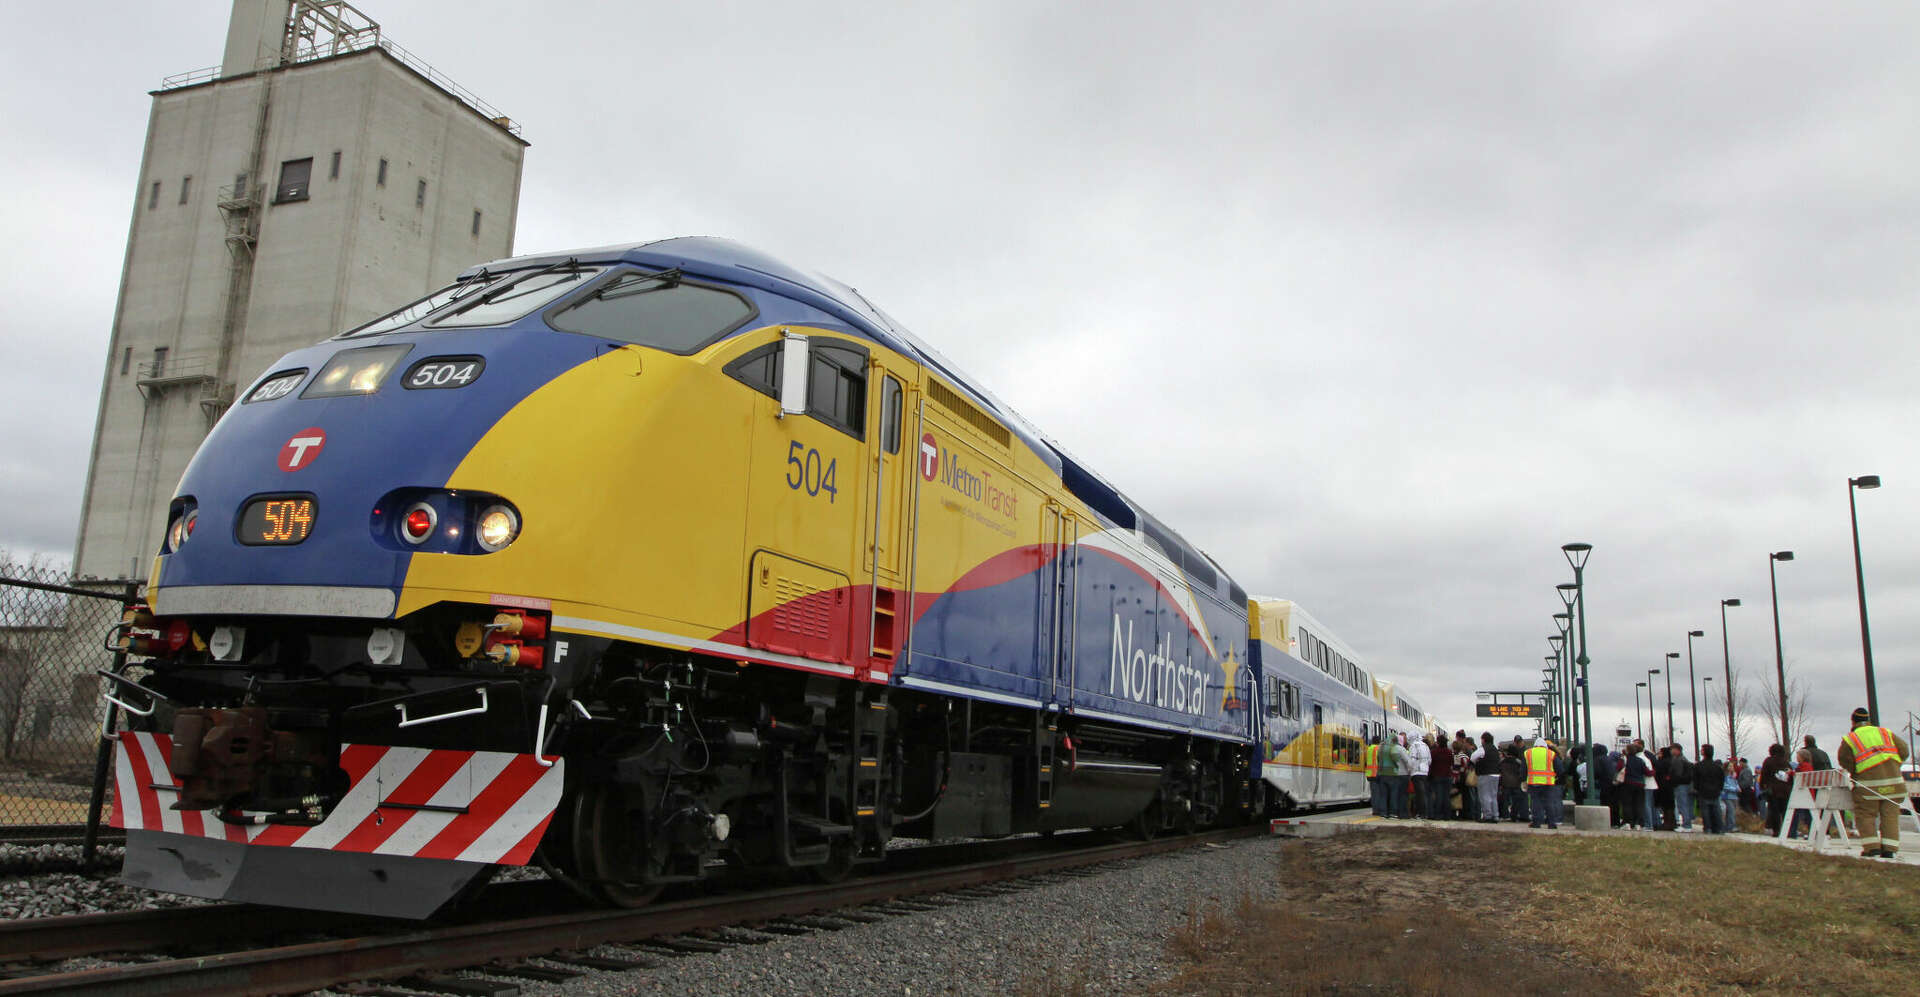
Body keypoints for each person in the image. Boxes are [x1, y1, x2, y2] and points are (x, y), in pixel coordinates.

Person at [1837, 707, 1913, 859]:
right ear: (1868, 720)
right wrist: (1893, 765)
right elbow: (1904, 750)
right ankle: (1889, 850)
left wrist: (1856, 771)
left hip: (1868, 786)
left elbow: (1844, 760)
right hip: (1894, 784)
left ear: (1853, 721)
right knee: (1890, 816)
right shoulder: (1885, 732)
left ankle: (1872, 849)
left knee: (1866, 815)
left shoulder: (1851, 739)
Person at [1525, 739, 1562, 828]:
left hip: (1533, 782)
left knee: (1536, 802)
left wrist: (1523, 779)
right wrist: (1556, 777)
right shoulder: (1551, 754)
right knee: (1549, 802)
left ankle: (1536, 822)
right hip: (1548, 782)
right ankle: (1551, 823)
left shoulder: (1528, 753)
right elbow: (1560, 768)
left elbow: (1523, 768)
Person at [1693, 744, 1727, 835]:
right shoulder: (1717, 767)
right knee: (1716, 810)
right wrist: (1719, 789)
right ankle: (1719, 828)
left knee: (1705, 811)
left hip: (1703, 791)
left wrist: (1697, 788)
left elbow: (1695, 780)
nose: (1700, 751)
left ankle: (1708, 828)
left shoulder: (1699, 766)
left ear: (1704, 752)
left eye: (1702, 750)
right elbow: (1722, 779)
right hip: (1715, 791)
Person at [1760, 744, 1792, 836]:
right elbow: (1790, 776)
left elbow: (1764, 775)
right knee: (1785, 810)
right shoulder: (1786, 762)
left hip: (1773, 790)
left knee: (1774, 810)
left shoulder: (1768, 761)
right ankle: (1788, 831)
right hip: (1785, 790)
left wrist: (1762, 786)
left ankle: (1776, 831)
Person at [1377, 733, 1411, 819]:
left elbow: (1378, 759)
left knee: (1383, 795)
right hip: (1392, 774)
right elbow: (1396, 759)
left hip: (1382, 773)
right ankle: (1393, 813)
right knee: (1394, 794)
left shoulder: (1381, 748)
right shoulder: (1394, 748)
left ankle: (1383, 813)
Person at [1620, 742, 1653, 829]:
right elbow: (1647, 772)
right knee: (1639, 804)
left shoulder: (1624, 759)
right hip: (1640, 784)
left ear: (1627, 751)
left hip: (1628, 783)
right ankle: (1638, 823)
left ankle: (1628, 822)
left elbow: (1618, 768)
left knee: (1627, 803)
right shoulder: (1640, 760)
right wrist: (1653, 771)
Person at [1472, 732, 1502, 823]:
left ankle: (1487, 815)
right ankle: (1495, 815)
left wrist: (1477, 762)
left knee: (1484, 795)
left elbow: (1473, 757)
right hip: (1496, 774)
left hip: (1485, 774)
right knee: (1493, 796)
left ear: (1483, 740)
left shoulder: (1483, 749)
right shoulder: (1495, 749)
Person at [1786, 749, 1815, 838]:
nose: (1797, 757)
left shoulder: (1804, 766)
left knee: (1797, 813)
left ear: (1802, 757)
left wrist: (1791, 773)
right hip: (1807, 793)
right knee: (1807, 815)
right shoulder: (1808, 766)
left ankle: (1792, 832)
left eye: (1798, 756)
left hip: (1804, 793)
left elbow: (1802, 776)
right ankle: (1812, 833)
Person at [1668, 743, 1696, 832]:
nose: (1671, 751)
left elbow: (1678, 774)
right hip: (1686, 784)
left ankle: (1686, 825)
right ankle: (1687, 824)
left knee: (1682, 805)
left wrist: (1673, 781)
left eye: (1672, 749)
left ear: (1677, 750)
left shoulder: (1678, 760)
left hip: (1680, 785)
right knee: (1686, 805)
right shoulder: (1684, 759)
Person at [1428, 733, 1454, 820]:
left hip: (1437, 776)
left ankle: (1438, 814)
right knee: (1446, 796)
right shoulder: (1449, 752)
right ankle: (1447, 815)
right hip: (1448, 776)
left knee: (1438, 796)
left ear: (1438, 742)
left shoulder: (1434, 752)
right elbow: (1451, 763)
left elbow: (1431, 764)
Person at [1501, 745, 1529, 823]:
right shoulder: (1518, 762)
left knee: (1505, 801)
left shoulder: (1502, 761)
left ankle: (1505, 815)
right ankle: (1514, 816)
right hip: (1516, 783)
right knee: (1516, 801)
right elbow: (1522, 771)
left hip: (1505, 783)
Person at [1409, 733, 1432, 819]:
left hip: (1416, 772)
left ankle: (1421, 813)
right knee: (1424, 793)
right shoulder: (1425, 746)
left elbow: (1412, 759)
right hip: (1425, 772)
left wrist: (1410, 769)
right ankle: (1425, 813)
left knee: (1419, 794)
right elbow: (1429, 760)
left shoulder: (1413, 746)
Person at [1365, 736, 1384, 817]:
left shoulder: (1368, 748)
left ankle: (1375, 810)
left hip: (1370, 774)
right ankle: (1378, 810)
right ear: (1379, 741)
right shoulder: (1379, 749)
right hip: (1378, 773)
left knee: (1374, 793)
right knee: (1379, 793)